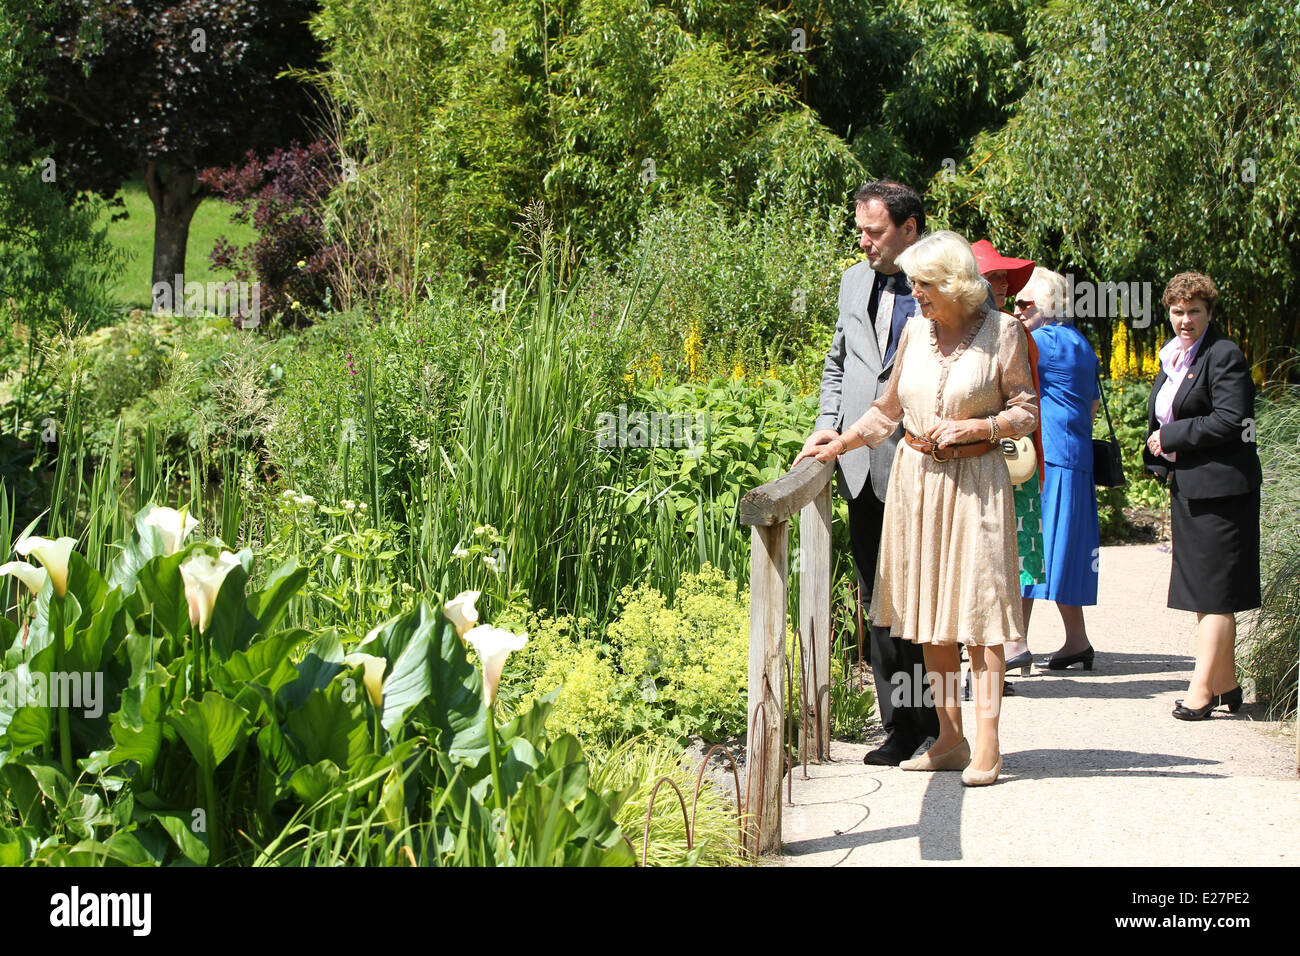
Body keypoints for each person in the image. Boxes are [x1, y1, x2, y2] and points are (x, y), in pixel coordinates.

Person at [796, 230, 1039, 786]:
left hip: (976, 479)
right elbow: (885, 411)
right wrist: (838, 442)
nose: (915, 294)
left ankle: (990, 747)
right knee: (932, 614)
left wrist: (983, 425)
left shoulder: (1004, 333)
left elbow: (1025, 412)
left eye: (924, 285)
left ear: (953, 284)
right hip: (917, 481)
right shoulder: (913, 331)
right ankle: (950, 739)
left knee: (979, 615)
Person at [796, 180, 940, 766]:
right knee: (876, 596)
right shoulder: (853, 281)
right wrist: (828, 424)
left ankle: (942, 721)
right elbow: (837, 362)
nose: (864, 242)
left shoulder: (945, 284)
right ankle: (899, 726)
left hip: (928, 464)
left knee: (928, 594)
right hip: (861, 464)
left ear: (910, 230)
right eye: (860, 230)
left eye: (875, 232)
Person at [1142, 272, 1261, 720]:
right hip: (1191, 487)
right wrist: (1159, 449)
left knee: (1214, 596)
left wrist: (1171, 436)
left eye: (1194, 311)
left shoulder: (1224, 354)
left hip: (1224, 491)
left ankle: (1200, 691)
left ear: (1210, 313)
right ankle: (1226, 684)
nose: (1185, 320)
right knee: (1205, 593)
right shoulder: (1174, 357)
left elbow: (1231, 419)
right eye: (1177, 311)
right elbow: (1167, 411)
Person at [1003, 267, 1102, 671]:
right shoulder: (1080, 342)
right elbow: (1092, 405)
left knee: (1031, 544)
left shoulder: (1039, 342)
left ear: (1046, 304)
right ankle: (1076, 641)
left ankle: (1014, 643)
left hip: (1048, 458)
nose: (1016, 309)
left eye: (1024, 302)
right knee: (1065, 551)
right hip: (1075, 456)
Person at [971, 240, 1046, 683]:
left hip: (1014, 453)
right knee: (985, 552)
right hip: (982, 456)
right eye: (991, 276)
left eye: (1004, 277)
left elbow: (1030, 400)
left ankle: (1014, 642)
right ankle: (995, 650)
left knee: (1021, 547)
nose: (1000, 284)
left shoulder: (1013, 332)